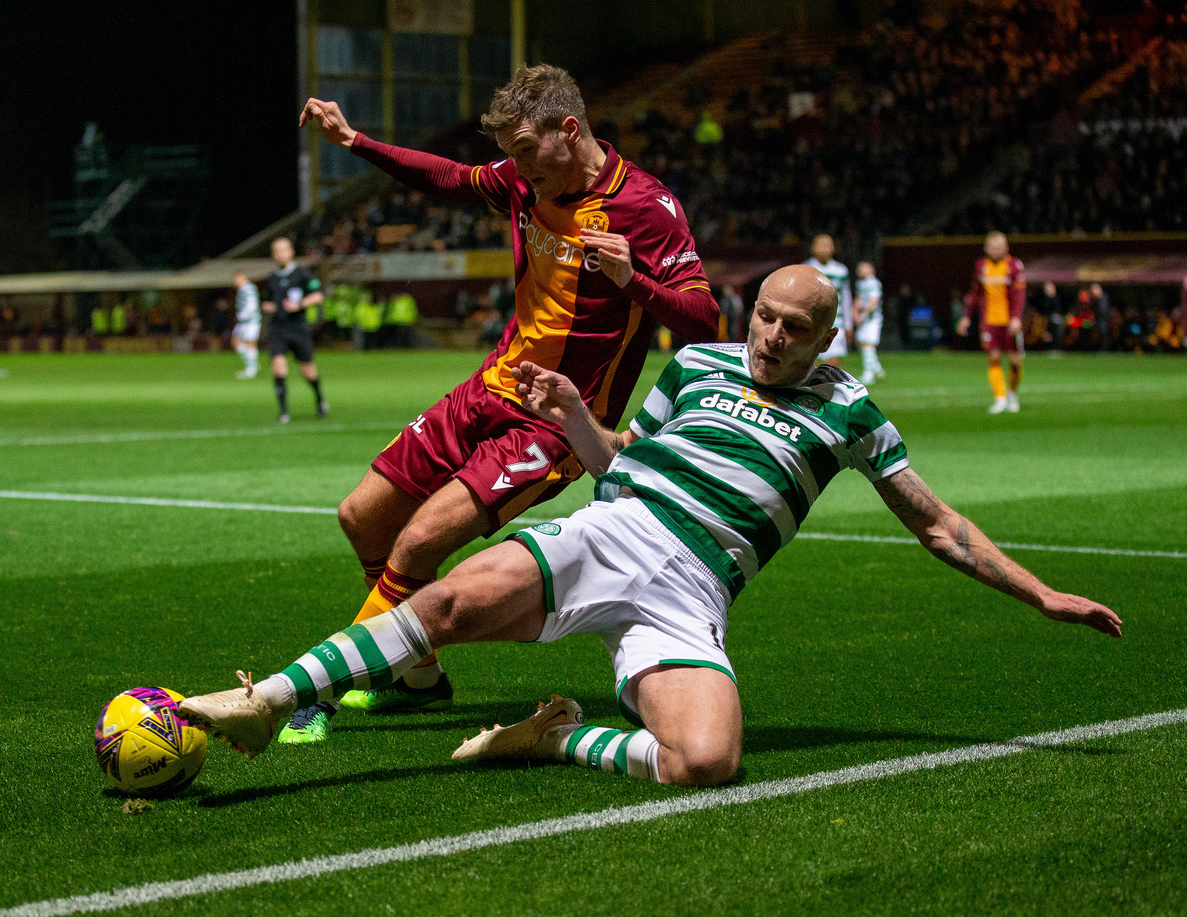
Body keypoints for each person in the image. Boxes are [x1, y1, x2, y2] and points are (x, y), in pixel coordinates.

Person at [178, 265, 1121, 787]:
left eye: (795, 328)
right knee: (451, 597)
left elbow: (939, 525)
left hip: (695, 588)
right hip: (618, 529)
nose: (771, 337)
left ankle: (551, 737)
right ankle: (267, 704)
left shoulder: (851, 413)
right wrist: (572, 417)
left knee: (705, 760)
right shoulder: (698, 365)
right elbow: (622, 460)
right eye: (764, 317)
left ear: (827, 338)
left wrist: (1038, 593)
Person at [280, 64, 717, 738]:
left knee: (419, 540)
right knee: (363, 515)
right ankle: (416, 676)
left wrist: (635, 282)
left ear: (568, 130)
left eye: (525, 150)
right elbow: (453, 178)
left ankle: (324, 690)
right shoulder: (523, 179)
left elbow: (705, 321)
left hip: (556, 423)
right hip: (491, 387)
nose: (515, 168)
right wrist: (355, 141)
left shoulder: (646, 210)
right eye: (511, 154)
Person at [957, 232, 1026, 414]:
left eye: (1000, 247)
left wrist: (1017, 317)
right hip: (989, 321)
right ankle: (1000, 398)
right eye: (993, 247)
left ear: (1006, 248)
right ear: (986, 249)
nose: (996, 251)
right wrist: (966, 317)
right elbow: (975, 294)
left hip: (1010, 321)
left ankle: (1012, 393)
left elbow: (1019, 295)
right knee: (994, 358)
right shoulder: (981, 266)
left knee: (1015, 361)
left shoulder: (1014, 266)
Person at [261, 237, 328, 424]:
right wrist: (269, 307)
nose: (280, 254)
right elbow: (265, 301)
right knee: (278, 367)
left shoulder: (303, 274)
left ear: (291, 252)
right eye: (277, 251)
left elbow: (318, 296)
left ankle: (320, 398)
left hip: (298, 328)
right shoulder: (271, 279)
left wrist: (299, 304)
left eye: (284, 250)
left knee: (307, 371)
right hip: (278, 329)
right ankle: (283, 411)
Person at [803, 234, 852, 367]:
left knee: (834, 364)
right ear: (813, 248)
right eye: (821, 245)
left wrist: (849, 324)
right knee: (810, 362)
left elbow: (846, 298)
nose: (824, 249)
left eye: (828, 245)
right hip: (812, 322)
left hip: (837, 322)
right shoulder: (805, 269)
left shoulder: (841, 271)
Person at [852, 261, 885, 384]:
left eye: (863, 267)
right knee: (861, 342)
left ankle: (869, 373)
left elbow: (873, 302)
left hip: (872, 319)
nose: (860, 269)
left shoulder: (873, 283)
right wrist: (855, 313)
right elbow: (859, 299)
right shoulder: (860, 283)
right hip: (864, 318)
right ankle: (877, 368)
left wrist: (863, 314)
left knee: (868, 344)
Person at [230, 271, 261, 379]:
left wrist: (245, 314)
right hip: (243, 321)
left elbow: (252, 304)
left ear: (242, 277)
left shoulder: (248, 288)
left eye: (236, 278)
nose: (235, 281)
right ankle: (252, 363)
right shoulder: (242, 289)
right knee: (235, 342)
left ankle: (251, 368)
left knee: (250, 343)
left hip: (251, 321)